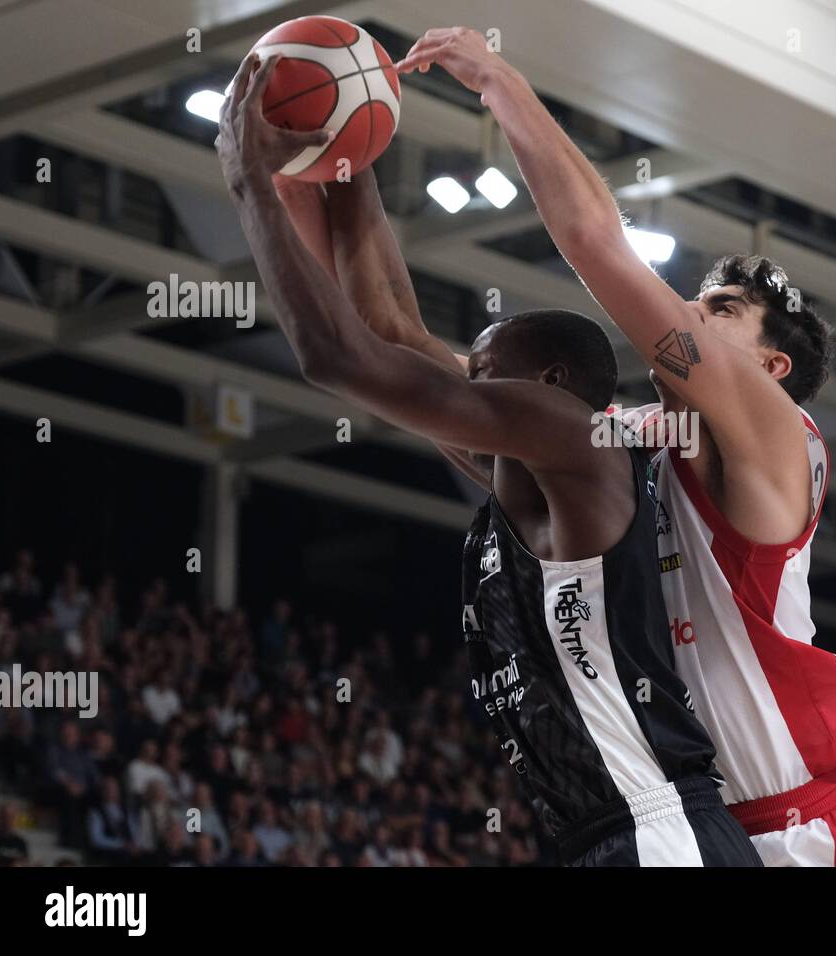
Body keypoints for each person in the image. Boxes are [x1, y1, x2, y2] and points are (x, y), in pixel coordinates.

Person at [215, 52, 760, 867]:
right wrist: (349, 158)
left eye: (480, 371)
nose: (461, 380)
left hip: (658, 832)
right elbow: (390, 333)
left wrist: (251, 185)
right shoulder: (537, 486)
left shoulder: (575, 441)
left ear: (549, 385)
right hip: (609, 836)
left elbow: (338, 358)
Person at [394, 27, 836, 866]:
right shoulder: (629, 441)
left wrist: (499, 80)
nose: (692, 314)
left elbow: (597, 244)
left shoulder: (779, 435)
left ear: (772, 367)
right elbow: (440, 394)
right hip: (682, 823)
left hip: (803, 831)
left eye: (722, 309)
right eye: (699, 301)